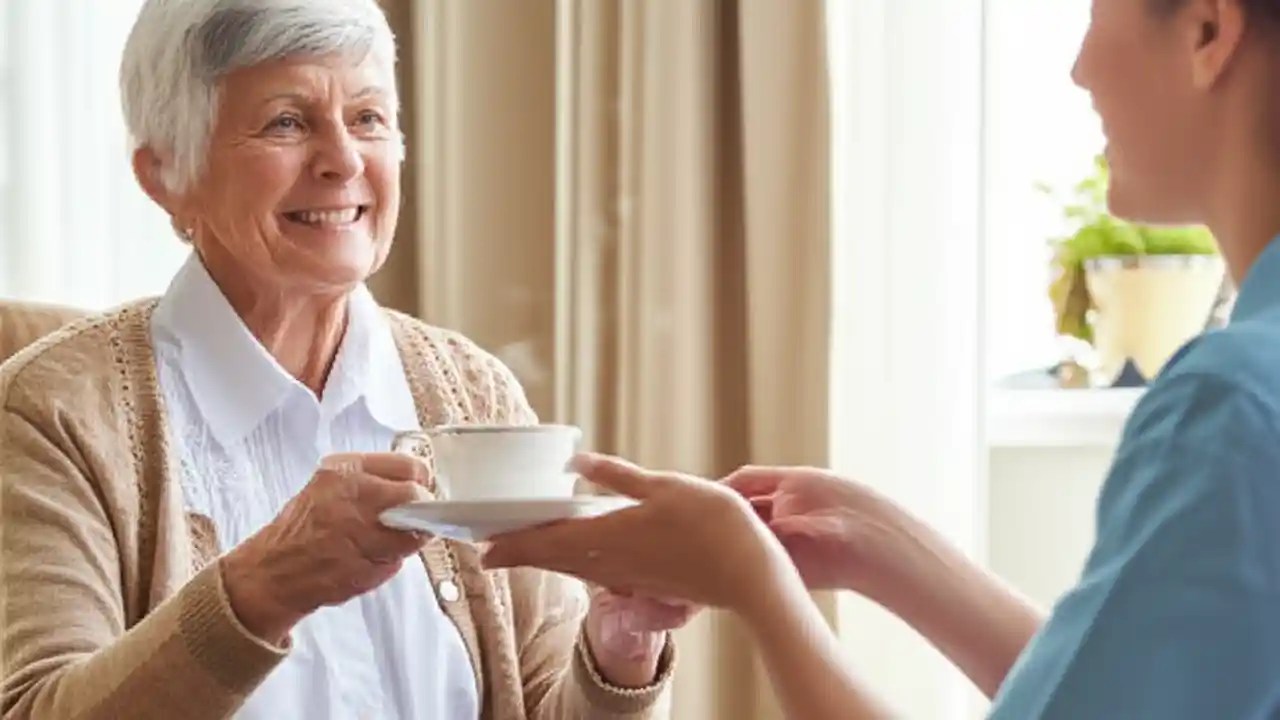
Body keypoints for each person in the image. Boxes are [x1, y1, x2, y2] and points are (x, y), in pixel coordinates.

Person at [483, 0, 1280, 717]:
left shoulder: (1233, 403)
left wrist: (756, 587)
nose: (1078, 69)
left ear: (1208, 29)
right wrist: (885, 549)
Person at [0, 1, 691, 718]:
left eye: (368, 118)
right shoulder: (52, 414)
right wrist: (261, 589)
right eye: (287, 123)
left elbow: (545, 699)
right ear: (166, 173)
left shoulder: (472, 389)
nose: (343, 160)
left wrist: (619, 653)